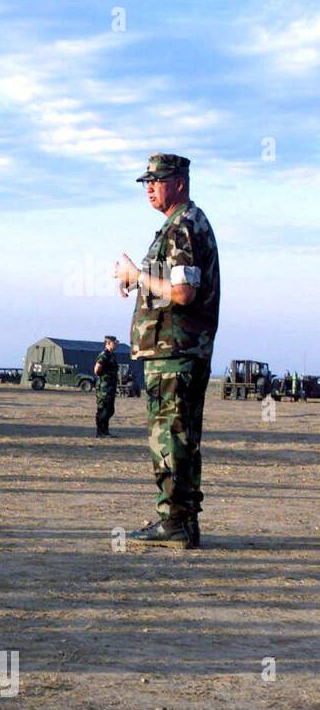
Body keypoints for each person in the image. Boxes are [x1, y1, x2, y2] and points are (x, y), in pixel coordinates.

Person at [114, 153, 220, 549]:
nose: (149, 188)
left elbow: (182, 293)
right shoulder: (179, 225)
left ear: (178, 181)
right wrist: (138, 281)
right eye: (145, 182)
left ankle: (174, 521)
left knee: (169, 437)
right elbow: (172, 287)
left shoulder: (183, 226)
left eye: (155, 181)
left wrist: (137, 275)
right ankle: (182, 520)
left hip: (175, 352)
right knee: (182, 437)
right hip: (177, 350)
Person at [93, 335, 120, 437]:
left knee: (109, 410)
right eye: (115, 342)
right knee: (103, 409)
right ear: (108, 343)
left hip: (110, 388)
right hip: (104, 388)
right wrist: (104, 377)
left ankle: (105, 431)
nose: (117, 344)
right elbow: (96, 369)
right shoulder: (104, 355)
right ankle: (100, 432)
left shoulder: (112, 355)